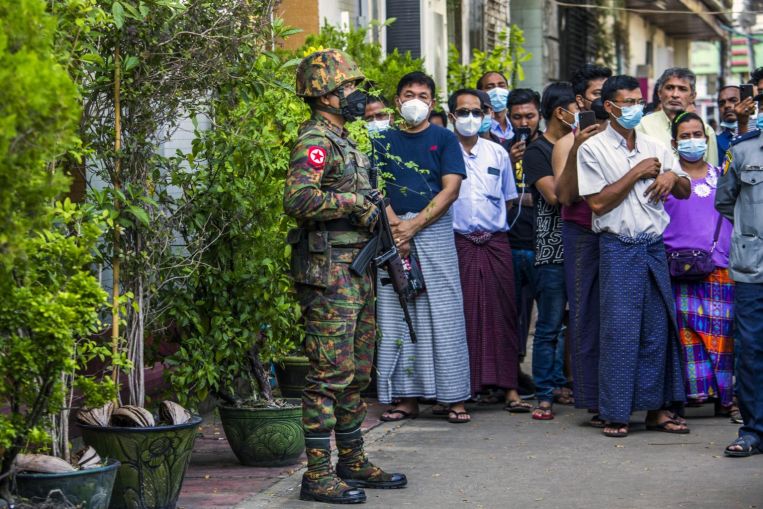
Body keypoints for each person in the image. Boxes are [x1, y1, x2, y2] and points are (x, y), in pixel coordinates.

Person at [284, 49, 406, 504]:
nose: (355, 95)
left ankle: (351, 460)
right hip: (328, 271)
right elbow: (298, 200)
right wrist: (355, 206)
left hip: (355, 269)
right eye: (349, 87)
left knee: (356, 371)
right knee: (328, 373)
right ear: (326, 95)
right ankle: (317, 474)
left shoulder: (344, 141)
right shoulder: (314, 140)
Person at [577, 75, 691, 438]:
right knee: (619, 331)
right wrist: (637, 172)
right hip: (617, 247)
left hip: (653, 247)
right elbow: (597, 202)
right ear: (610, 107)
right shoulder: (592, 149)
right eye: (627, 102)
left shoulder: (656, 144)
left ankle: (657, 410)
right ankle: (616, 413)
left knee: (658, 330)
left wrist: (672, 176)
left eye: (638, 101)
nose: (635, 108)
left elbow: (687, 189)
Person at [374, 71, 472, 424]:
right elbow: (376, 187)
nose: (415, 99)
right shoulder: (381, 141)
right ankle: (405, 398)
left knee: (444, 314)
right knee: (397, 315)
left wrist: (413, 227)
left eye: (423, 94)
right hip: (392, 232)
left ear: (432, 102)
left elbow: (451, 189)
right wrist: (396, 229)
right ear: (397, 101)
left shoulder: (445, 139)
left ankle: (453, 397)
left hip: (434, 231)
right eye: (408, 93)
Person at [447, 88, 529, 412]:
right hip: (458, 242)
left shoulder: (497, 153)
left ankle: (509, 388)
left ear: (485, 116)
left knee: (504, 314)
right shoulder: (443, 150)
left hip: (495, 241)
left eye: (476, 112)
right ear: (452, 115)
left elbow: (509, 199)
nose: (470, 118)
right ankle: (462, 390)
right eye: (463, 112)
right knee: (461, 317)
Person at [551, 63, 612, 425]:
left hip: (618, 233)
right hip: (582, 235)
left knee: (618, 315)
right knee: (585, 316)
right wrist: (579, 148)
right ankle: (592, 397)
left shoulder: (624, 139)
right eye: (596, 95)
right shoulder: (564, 143)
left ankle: (620, 393)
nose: (604, 102)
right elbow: (564, 195)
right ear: (580, 100)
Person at [663, 111, 735, 418]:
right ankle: (694, 393)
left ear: (706, 140)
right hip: (678, 269)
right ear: (673, 142)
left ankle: (725, 398)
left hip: (720, 267)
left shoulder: (723, 176)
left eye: (697, 135)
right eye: (685, 136)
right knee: (686, 336)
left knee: (721, 336)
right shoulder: (666, 180)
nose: (692, 141)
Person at [523, 82, 579, 420]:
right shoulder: (537, 151)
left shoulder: (582, 143)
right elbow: (556, 196)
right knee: (549, 325)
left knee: (575, 323)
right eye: (576, 106)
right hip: (552, 249)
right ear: (560, 112)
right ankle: (544, 394)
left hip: (581, 245)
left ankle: (563, 383)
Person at [715, 111, 763, 458]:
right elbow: (724, 200)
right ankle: (753, 430)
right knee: (750, 351)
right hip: (752, 269)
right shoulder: (743, 150)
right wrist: (752, 233)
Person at [505, 88, 542, 397]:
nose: (524, 122)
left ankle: (547, 379)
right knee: (513, 314)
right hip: (510, 243)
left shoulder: (547, 148)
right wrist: (508, 159)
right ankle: (513, 373)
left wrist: (523, 199)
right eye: (517, 117)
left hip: (542, 244)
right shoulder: (501, 149)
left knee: (546, 316)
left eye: (529, 116)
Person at [637, 67, 719, 166]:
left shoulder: (706, 130)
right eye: (669, 88)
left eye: (682, 89)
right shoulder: (642, 126)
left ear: (693, 96)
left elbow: (712, 174)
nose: (675, 94)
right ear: (659, 93)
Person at [477, 70, 514, 143]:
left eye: (501, 86)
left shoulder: (517, 123)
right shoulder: (479, 127)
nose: (497, 90)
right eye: (490, 87)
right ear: (480, 92)